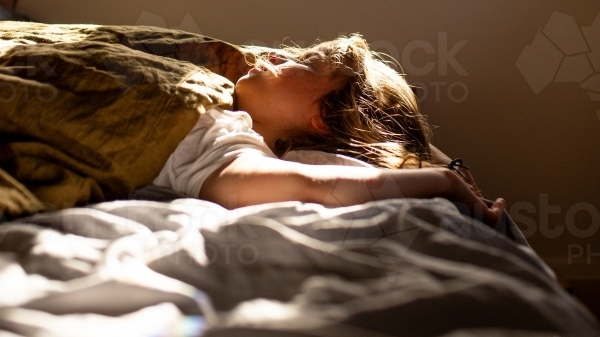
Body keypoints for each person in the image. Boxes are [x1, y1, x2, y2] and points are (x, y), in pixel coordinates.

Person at [153, 34, 505, 227]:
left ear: (324, 117)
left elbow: (311, 186)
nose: (275, 56)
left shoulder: (221, 138)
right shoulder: (216, 111)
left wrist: (444, 179)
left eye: (306, 63)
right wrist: (446, 176)